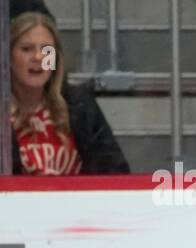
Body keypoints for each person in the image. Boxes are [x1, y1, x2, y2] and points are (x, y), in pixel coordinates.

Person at [9, 13, 129, 176]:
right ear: (8, 56)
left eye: (46, 50)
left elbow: (116, 171)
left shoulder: (80, 106)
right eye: (26, 49)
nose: (38, 57)